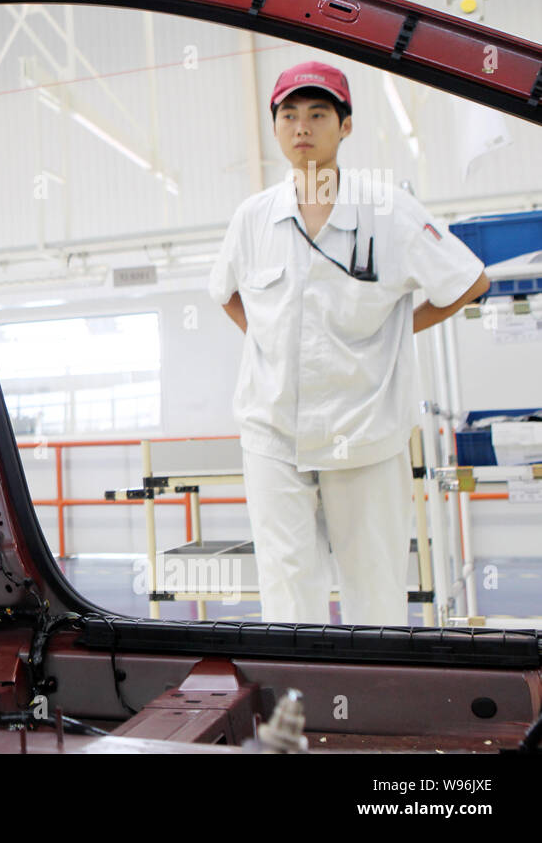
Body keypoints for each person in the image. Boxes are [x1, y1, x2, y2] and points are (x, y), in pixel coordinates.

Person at [208, 61, 489, 626]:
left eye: (317, 114)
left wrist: (396, 331)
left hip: (363, 433)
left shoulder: (388, 211)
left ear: (346, 125)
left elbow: (469, 281)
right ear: (276, 127)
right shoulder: (253, 218)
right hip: (273, 436)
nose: (302, 126)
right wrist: (272, 340)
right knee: (286, 590)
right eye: (289, 115)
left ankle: (373, 707)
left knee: (374, 587)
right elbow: (226, 293)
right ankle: (296, 707)